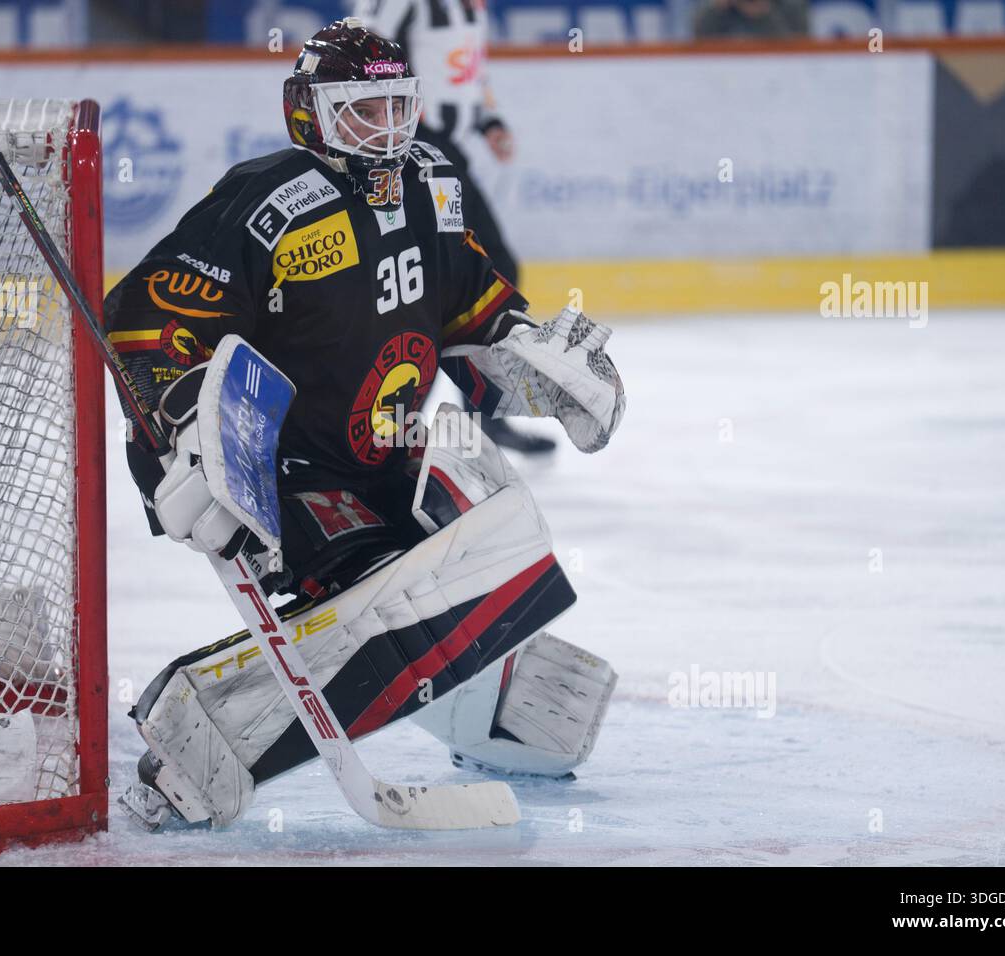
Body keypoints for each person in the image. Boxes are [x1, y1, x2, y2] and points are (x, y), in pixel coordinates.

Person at [104, 18, 624, 831]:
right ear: (308, 112)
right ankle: (196, 737)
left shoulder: (430, 183)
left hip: (390, 450)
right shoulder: (270, 200)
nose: (384, 129)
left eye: (395, 106)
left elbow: (471, 300)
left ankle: (497, 705)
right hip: (293, 475)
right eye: (360, 110)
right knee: (383, 600)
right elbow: (143, 319)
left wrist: (528, 352)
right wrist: (183, 437)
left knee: (490, 520)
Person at [352, 0, 557, 455]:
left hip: (443, 150)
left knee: (468, 276)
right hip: (414, 149)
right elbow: (361, 58)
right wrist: (397, 124)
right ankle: (418, 423)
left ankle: (451, 420)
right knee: (470, 275)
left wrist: (489, 121)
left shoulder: (471, 8)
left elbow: (467, 74)